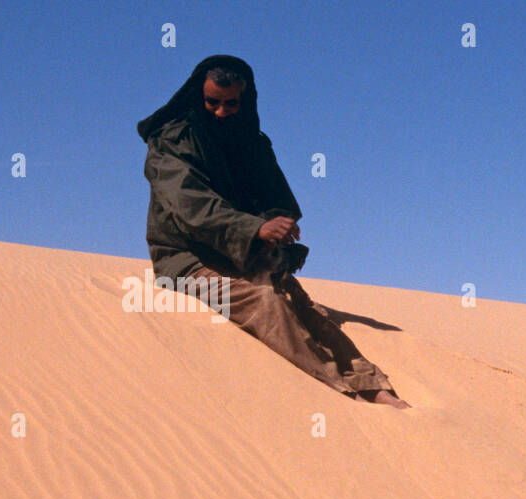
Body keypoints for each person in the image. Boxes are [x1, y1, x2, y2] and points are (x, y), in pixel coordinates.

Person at [136, 54, 408, 408]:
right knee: (266, 303)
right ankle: (341, 395)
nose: (221, 112)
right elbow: (192, 208)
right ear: (197, 96)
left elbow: (278, 197)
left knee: (305, 308)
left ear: (244, 99)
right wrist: (256, 227)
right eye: (212, 102)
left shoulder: (253, 142)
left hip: (243, 253)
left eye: (231, 103)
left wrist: (280, 222)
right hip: (186, 261)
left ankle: (373, 385)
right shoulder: (170, 141)